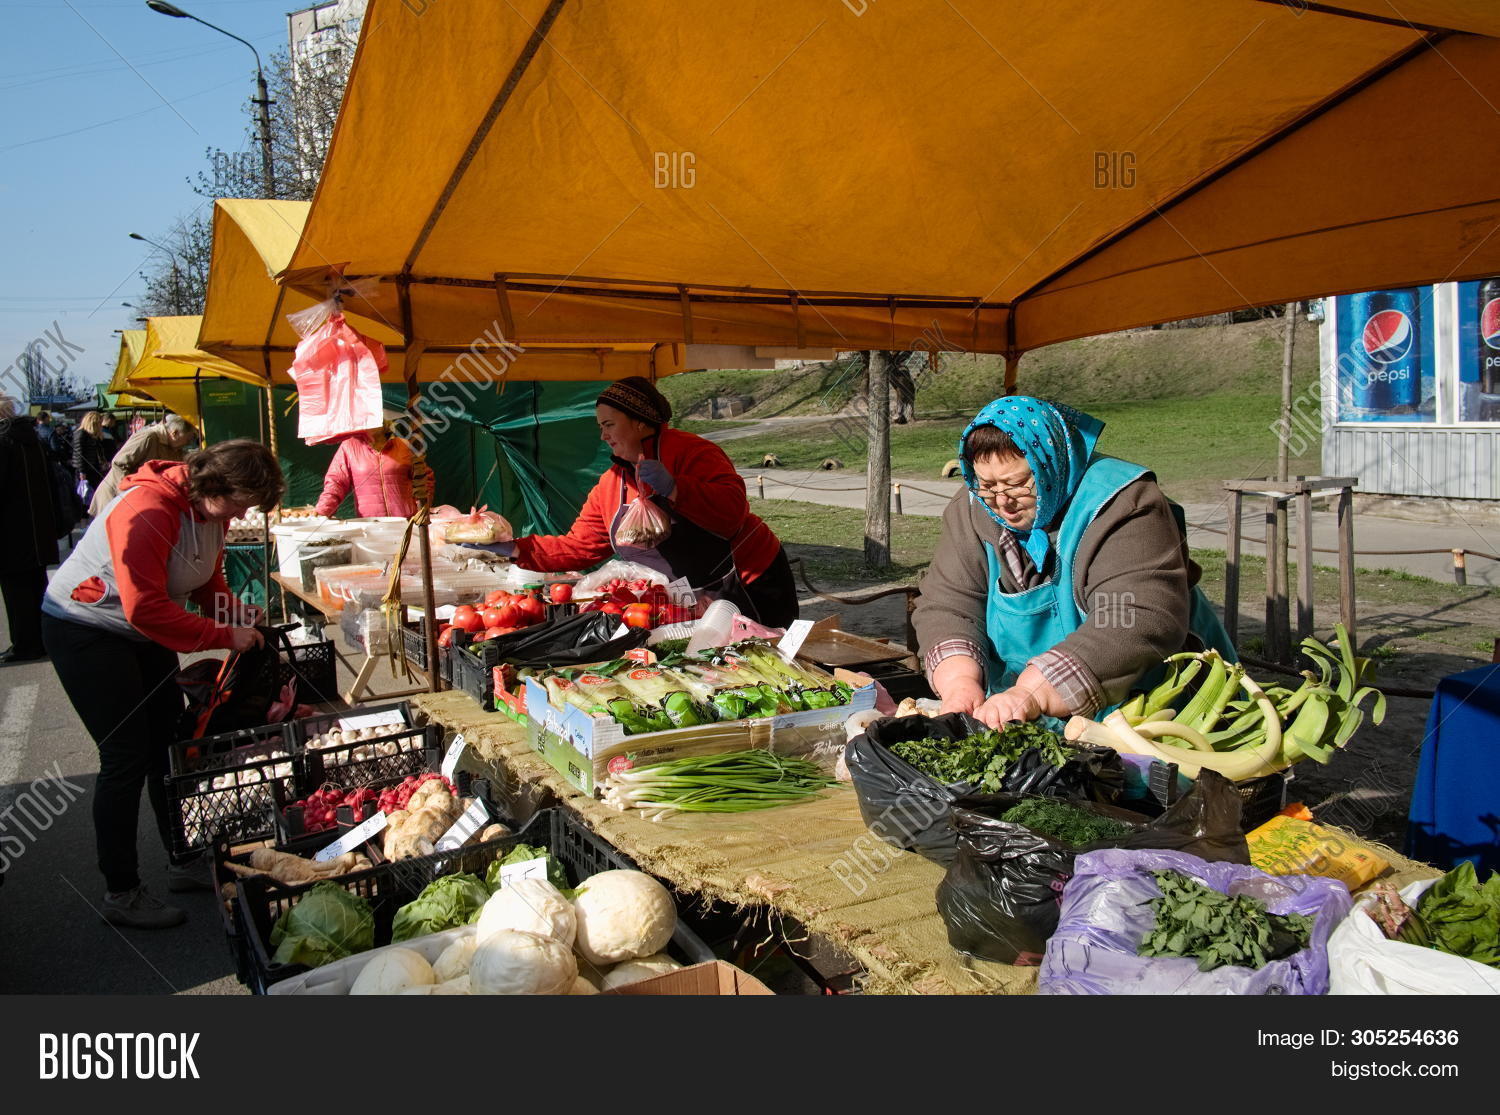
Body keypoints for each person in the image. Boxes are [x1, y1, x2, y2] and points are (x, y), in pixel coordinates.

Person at [41, 440, 284, 929]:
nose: (241, 515)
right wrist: (223, 635)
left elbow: (206, 584)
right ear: (215, 485)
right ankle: (121, 889)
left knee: (170, 744)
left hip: (140, 629)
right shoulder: (145, 508)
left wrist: (237, 615)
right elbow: (145, 608)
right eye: (240, 503)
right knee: (126, 755)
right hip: (87, 627)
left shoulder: (213, 515)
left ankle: (182, 858)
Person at [912, 396, 1234, 729]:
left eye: (1019, 483)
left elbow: (1134, 616)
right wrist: (959, 681)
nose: (1003, 502)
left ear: (1048, 463)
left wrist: (1035, 691)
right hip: (1028, 710)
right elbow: (949, 604)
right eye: (988, 485)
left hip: (1154, 710)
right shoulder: (974, 506)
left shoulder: (1124, 503)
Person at [462, 377, 799, 627]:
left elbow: (731, 511)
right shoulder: (611, 485)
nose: (603, 435)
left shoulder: (693, 452)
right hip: (688, 598)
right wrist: (516, 548)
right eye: (600, 426)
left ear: (639, 422)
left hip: (749, 581)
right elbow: (579, 547)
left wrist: (677, 488)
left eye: (609, 424)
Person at [0, 396, 59, 663]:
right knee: (36, 586)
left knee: (15, 591)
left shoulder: (4, 441)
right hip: (37, 527)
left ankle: (25, 644)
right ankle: (42, 639)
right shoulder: (32, 439)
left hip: (11, 529)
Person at [313, 412, 434, 518]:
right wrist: (323, 511)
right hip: (370, 523)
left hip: (406, 522)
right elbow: (335, 482)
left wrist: (422, 508)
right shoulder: (349, 447)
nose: (370, 422)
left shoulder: (404, 445)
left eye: (374, 417)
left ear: (384, 421)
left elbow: (424, 478)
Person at [89, 413, 195, 517]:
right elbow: (119, 463)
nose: (188, 443)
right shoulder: (148, 437)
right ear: (174, 433)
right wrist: (128, 493)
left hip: (136, 499)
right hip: (115, 497)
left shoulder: (173, 446)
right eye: (188, 439)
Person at [72, 410, 110, 510]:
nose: (101, 425)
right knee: (85, 495)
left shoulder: (92, 436)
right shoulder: (81, 434)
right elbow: (79, 454)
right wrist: (82, 472)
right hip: (85, 470)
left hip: (94, 468)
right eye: (99, 423)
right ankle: (85, 518)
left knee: (93, 493)